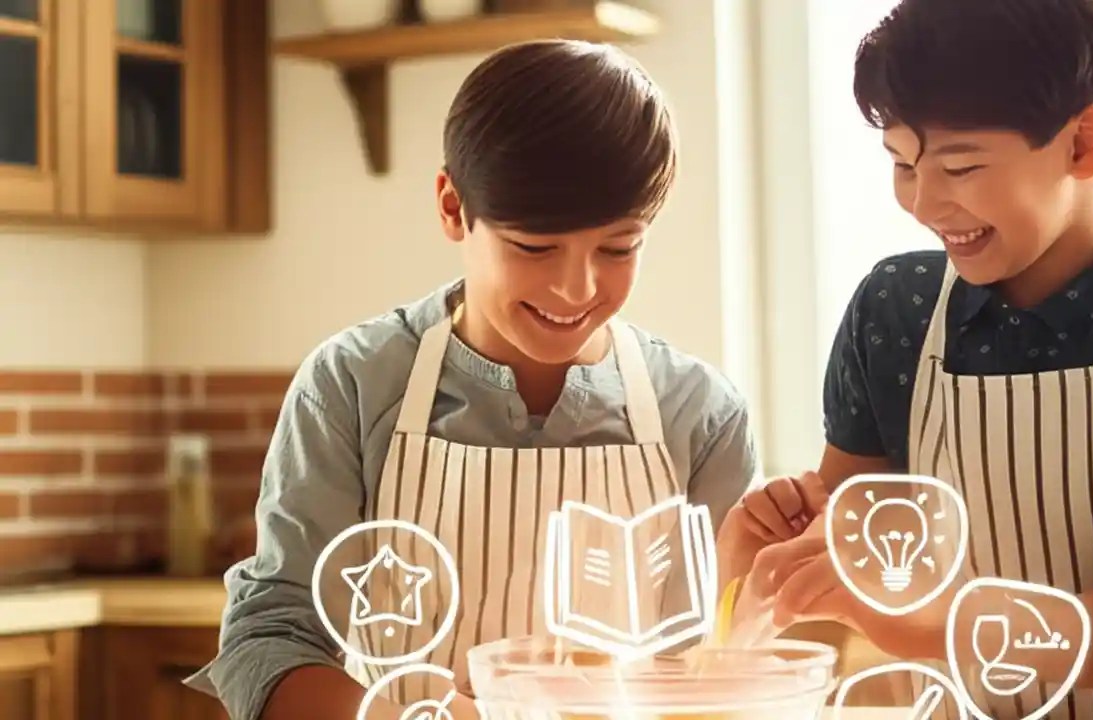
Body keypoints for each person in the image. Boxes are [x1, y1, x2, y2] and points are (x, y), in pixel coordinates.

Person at [184, 40, 758, 720]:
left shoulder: (700, 416)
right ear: (453, 207)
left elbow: (712, 670)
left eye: (618, 248)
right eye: (534, 247)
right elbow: (270, 639)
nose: (576, 287)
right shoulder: (353, 386)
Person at [723, 0, 1093, 716]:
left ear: (1084, 143)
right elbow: (851, 552)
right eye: (902, 164)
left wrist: (942, 625)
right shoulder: (895, 313)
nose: (923, 202)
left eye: (962, 166)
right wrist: (766, 549)